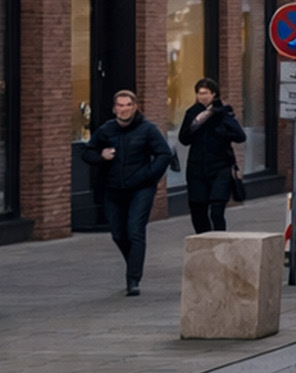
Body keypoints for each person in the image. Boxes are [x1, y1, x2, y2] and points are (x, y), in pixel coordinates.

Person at [81, 90, 172, 296]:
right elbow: (87, 152)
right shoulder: (106, 130)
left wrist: (150, 176)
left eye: (127, 105)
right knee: (118, 234)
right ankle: (132, 261)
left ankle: (133, 279)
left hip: (141, 188)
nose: (123, 109)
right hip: (113, 190)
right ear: (114, 109)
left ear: (135, 107)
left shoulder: (147, 129)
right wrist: (101, 156)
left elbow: (164, 154)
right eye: (120, 106)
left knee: (135, 230)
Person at [177, 77, 248, 232]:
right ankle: (203, 242)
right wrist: (194, 128)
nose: (202, 96)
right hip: (197, 167)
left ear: (214, 94)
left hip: (220, 166)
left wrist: (221, 131)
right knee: (198, 210)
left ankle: (219, 240)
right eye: (199, 93)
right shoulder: (192, 113)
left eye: (206, 93)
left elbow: (240, 136)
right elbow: (184, 139)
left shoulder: (223, 112)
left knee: (217, 209)